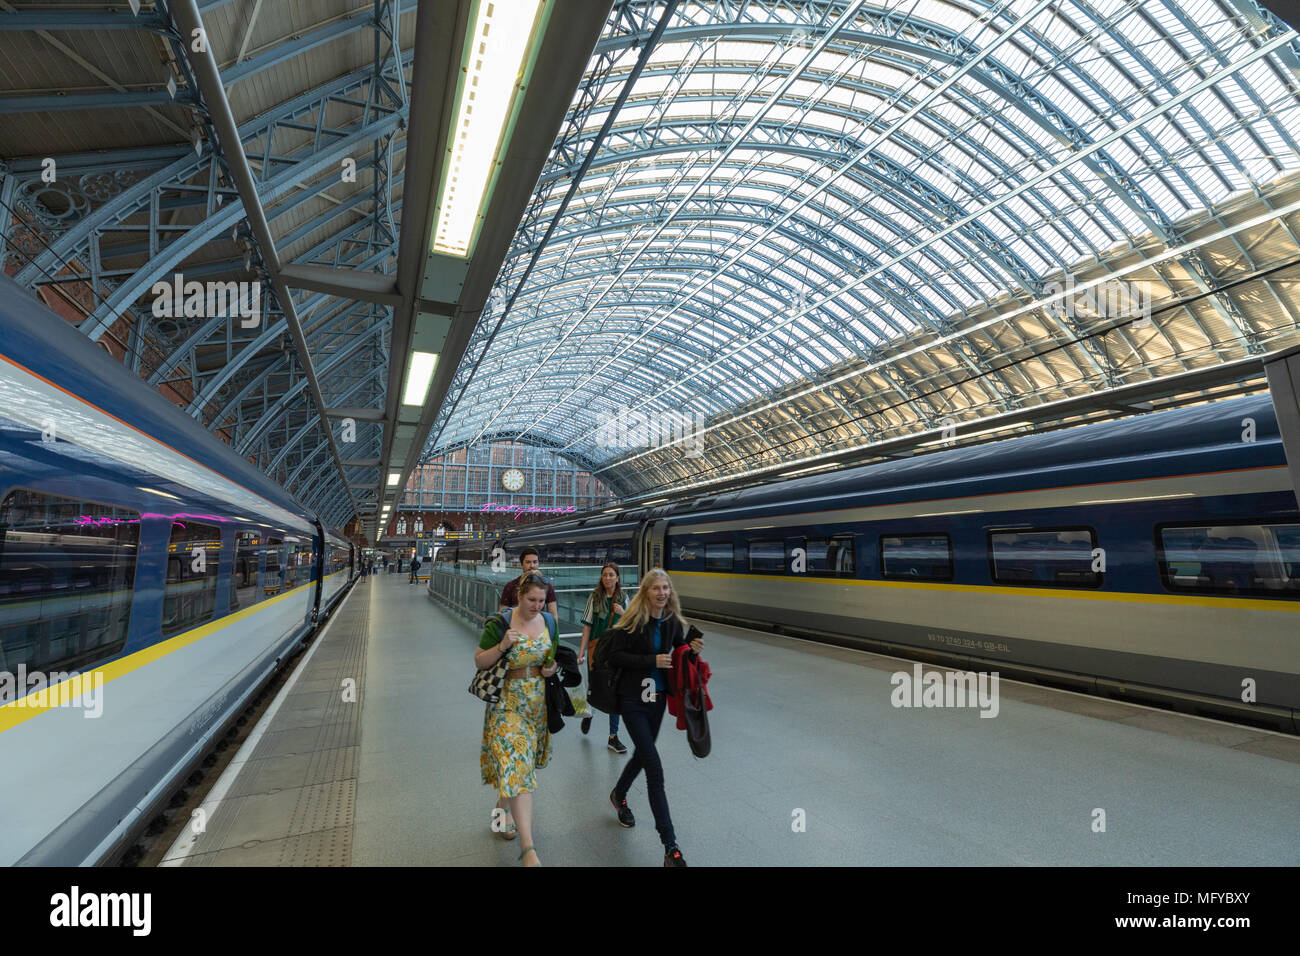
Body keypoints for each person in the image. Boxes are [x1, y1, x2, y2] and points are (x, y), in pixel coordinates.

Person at [604, 568, 703, 867]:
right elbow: (614, 656)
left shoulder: (672, 622)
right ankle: (670, 846)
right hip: (633, 699)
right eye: (656, 588)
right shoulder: (634, 621)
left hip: (657, 700)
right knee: (654, 768)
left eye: (666, 588)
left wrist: (693, 652)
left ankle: (618, 793)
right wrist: (651, 660)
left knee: (642, 755)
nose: (662, 593)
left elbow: (679, 652)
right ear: (645, 592)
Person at [475, 572, 559, 867]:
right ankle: (528, 849)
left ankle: (501, 812)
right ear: (519, 596)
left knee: (516, 767)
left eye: (541, 600)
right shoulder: (500, 623)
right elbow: (479, 660)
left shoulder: (549, 622)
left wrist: (551, 669)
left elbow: (553, 657)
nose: (537, 605)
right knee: (517, 765)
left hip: (537, 706)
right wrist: (502, 646)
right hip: (506, 705)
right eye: (531, 600)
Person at [577, 562, 627, 754]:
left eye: (611, 575)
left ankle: (613, 737)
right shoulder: (594, 597)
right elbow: (587, 626)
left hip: (616, 652)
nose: (608, 578)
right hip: (596, 650)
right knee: (595, 685)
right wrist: (581, 651)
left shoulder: (624, 598)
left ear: (617, 578)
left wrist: (623, 613)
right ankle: (590, 711)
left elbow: (630, 624)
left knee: (616, 691)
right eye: (605, 575)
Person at [498, 547, 557, 618]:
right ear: (522, 565)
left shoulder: (546, 586)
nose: (532, 566)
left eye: (535, 562)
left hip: (539, 626)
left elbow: (553, 614)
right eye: (528, 562)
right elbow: (503, 615)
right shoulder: (510, 586)